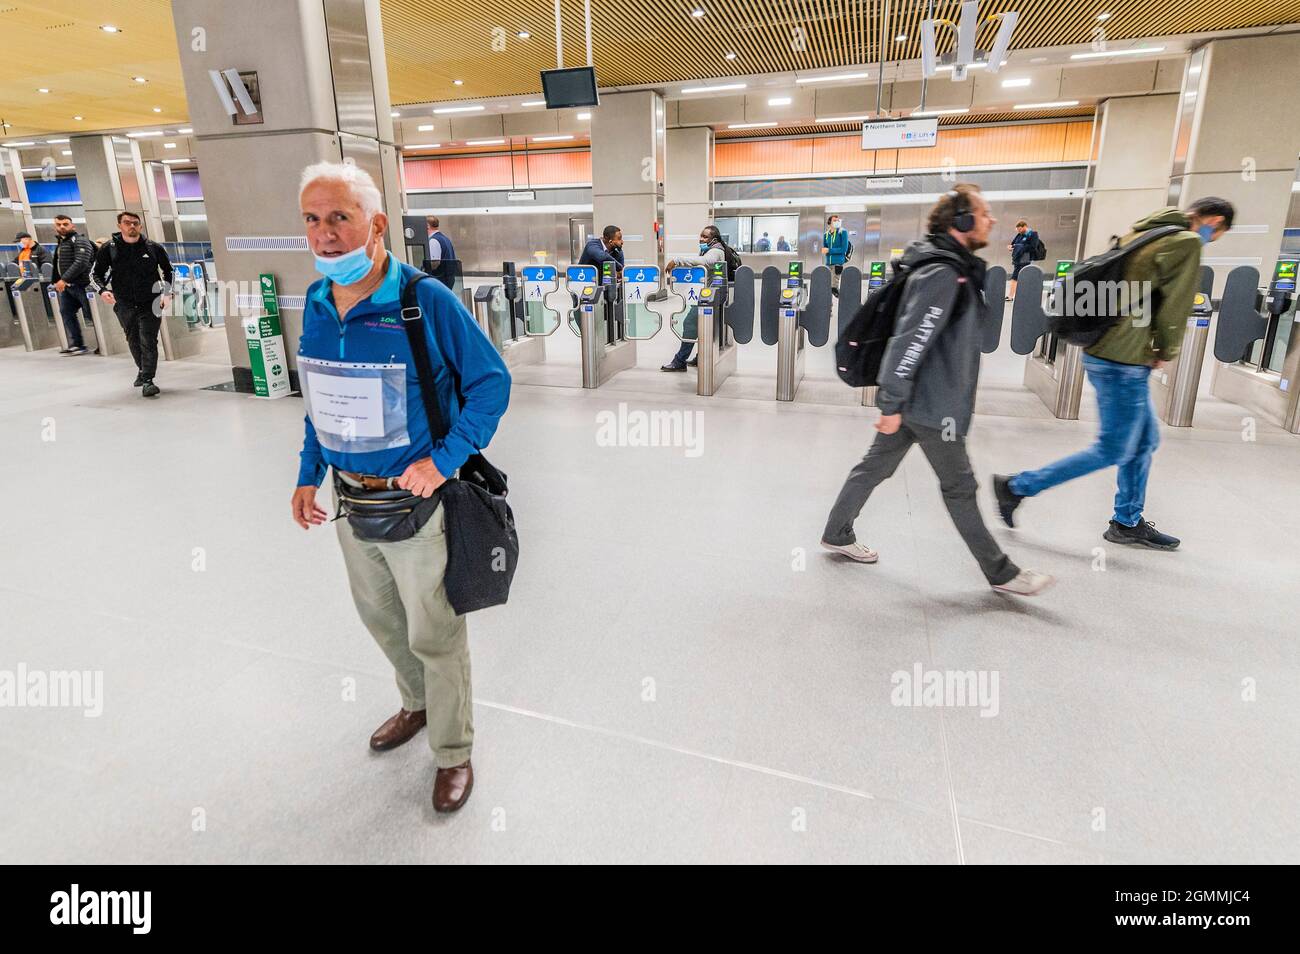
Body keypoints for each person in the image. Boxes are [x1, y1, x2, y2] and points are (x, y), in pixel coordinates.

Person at [291, 162, 510, 813]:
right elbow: (319, 397)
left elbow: (491, 382)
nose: (325, 235)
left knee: (435, 634)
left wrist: (443, 462)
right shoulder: (316, 301)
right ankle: (415, 705)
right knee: (383, 622)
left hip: (418, 507)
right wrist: (308, 473)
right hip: (350, 504)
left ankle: (453, 751)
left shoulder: (423, 300)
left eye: (339, 217)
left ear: (376, 223)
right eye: (312, 219)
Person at [821, 184, 1053, 597]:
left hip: (920, 399)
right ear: (961, 221)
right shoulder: (943, 273)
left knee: (873, 467)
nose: (992, 220)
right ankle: (1001, 572)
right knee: (960, 487)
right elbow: (909, 341)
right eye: (984, 214)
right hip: (933, 406)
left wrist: (897, 402)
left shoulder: (946, 266)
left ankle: (836, 533)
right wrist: (890, 402)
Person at [994, 198, 1235, 550]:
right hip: (1125, 358)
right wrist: (1165, 350)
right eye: (1217, 234)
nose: (1211, 240)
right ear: (1213, 220)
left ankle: (1127, 521)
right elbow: (1176, 305)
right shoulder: (1183, 242)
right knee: (1112, 448)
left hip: (1107, 348)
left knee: (1144, 442)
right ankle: (1017, 487)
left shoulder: (1146, 230)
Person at [89, 212, 172, 398]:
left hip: (151, 301)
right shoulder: (109, 249)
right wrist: (103, 290)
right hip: (124, 302)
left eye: (135, 223)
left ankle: (148, 380)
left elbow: (168, 271)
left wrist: (167, 293)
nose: (132, 226)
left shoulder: (153, 248)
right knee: (133, 338)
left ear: (140, 226)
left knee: (148, 339)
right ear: (120, 225)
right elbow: (94, 274)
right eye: (127, 223)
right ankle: (142, 370)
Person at [661, 224, 726, 372]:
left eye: (705, 237)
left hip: (709, 297)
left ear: (713, 239)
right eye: (701, 236)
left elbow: (705, 262)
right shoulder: (711, 249)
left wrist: (677, 261)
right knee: (704, 326)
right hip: (707, 295)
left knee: (690, 324)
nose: (701, 239)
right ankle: (700, 356)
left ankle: (680, 361)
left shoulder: (715, 251)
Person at [50, 215, 97, 356]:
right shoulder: (62, 243)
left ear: (73, 226)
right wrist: (57, 281)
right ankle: (77, 344)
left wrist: (63, 280)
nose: (62, 227)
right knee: (66, 312)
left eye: (65, 224)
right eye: (58, 224)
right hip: (69, 287)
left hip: (83, 285)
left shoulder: (80, 240)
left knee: (93, 315)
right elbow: (57, 265)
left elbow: (81, 262)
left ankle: (106, 342)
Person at [424, 215, 458, 289]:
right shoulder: (445, 238)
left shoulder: (433, 241)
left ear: (427, 226)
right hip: (448, 280)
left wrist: (423, 271)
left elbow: (434, 263)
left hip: (439, 282)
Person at [1006, 219, 1037, 300]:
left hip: (1025, 259)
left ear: (1025, 227)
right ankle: (1011, 296)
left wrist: (1019, 246)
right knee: (1016, 277)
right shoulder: (1019, 235)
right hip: (1017, 258)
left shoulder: (1033, 234)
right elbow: (1013, 244)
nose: (1019, 231)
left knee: (1018, 277)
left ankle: (1013, 296)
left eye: (1020, 229)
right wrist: (1011, 246)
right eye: (1018, 230)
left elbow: (1033, 247)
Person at [822, 214, 849, 296]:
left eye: (838, 220)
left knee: (834, 288)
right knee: (826, 288)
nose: (837, 222)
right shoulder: (826, 235)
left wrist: (829, 250)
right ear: (829, 222)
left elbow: (844, 249)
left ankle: (844, 301)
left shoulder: (842, 232)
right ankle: (828, 306)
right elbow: (825, 248)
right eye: (834, 220)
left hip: (837, 263)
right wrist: (825, 250)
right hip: (828, 264)